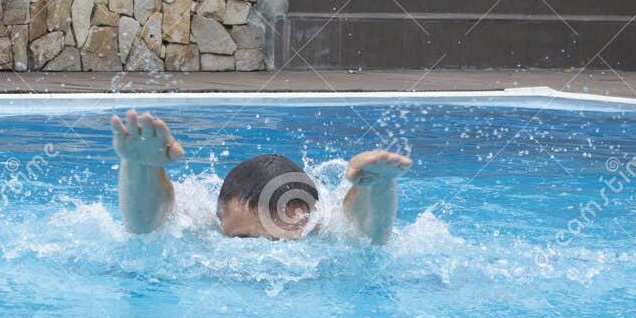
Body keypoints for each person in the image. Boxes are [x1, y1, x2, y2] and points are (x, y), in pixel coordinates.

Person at [109, 109, 412, 245]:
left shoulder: (321, 230)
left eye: (281, 243)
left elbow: (369, 236)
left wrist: (378, 187)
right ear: (220, 217)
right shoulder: (202, 225)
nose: (261, 254)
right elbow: (145, 226)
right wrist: (141, 167)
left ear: (308, 220)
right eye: (244, 240)